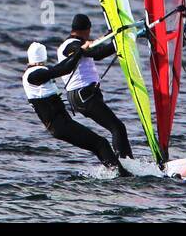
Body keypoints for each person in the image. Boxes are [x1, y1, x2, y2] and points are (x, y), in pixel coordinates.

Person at [23, 41, 130, 175]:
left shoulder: (38, 72)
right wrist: (80, 51)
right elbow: (63, 69)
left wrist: (77, 53)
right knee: (100, 143)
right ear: (43, 58)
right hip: (60, 125)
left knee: (98, 145)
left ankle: (115, 172)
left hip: (61, 124)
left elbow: (61, 66)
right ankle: (122, 175)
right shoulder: (33, 76)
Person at [56, 13, 132, 160]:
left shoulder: (69, 44)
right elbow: (97, 53)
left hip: (80, 97)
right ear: (87, 29)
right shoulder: (72, 45)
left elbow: (95, 46)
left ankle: (121, 164)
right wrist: (120, 42)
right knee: (117, 128)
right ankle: (126, 164)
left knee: (116, 128)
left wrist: (111, 36)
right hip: (84, 96)